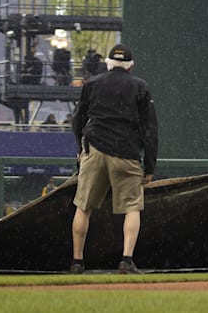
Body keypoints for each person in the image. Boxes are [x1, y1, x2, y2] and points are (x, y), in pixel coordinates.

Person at [70, 44, 159, 275]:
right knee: (132, 207)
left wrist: (80, 148)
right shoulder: (140, 87)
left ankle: (77, 262)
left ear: (108, 63)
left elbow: (78, 119)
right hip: (126, 152)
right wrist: (149, 166)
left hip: (94, 148)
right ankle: (126, 260)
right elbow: (150, 130)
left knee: (83, 206)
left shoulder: (92, 84)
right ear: (131, 66)